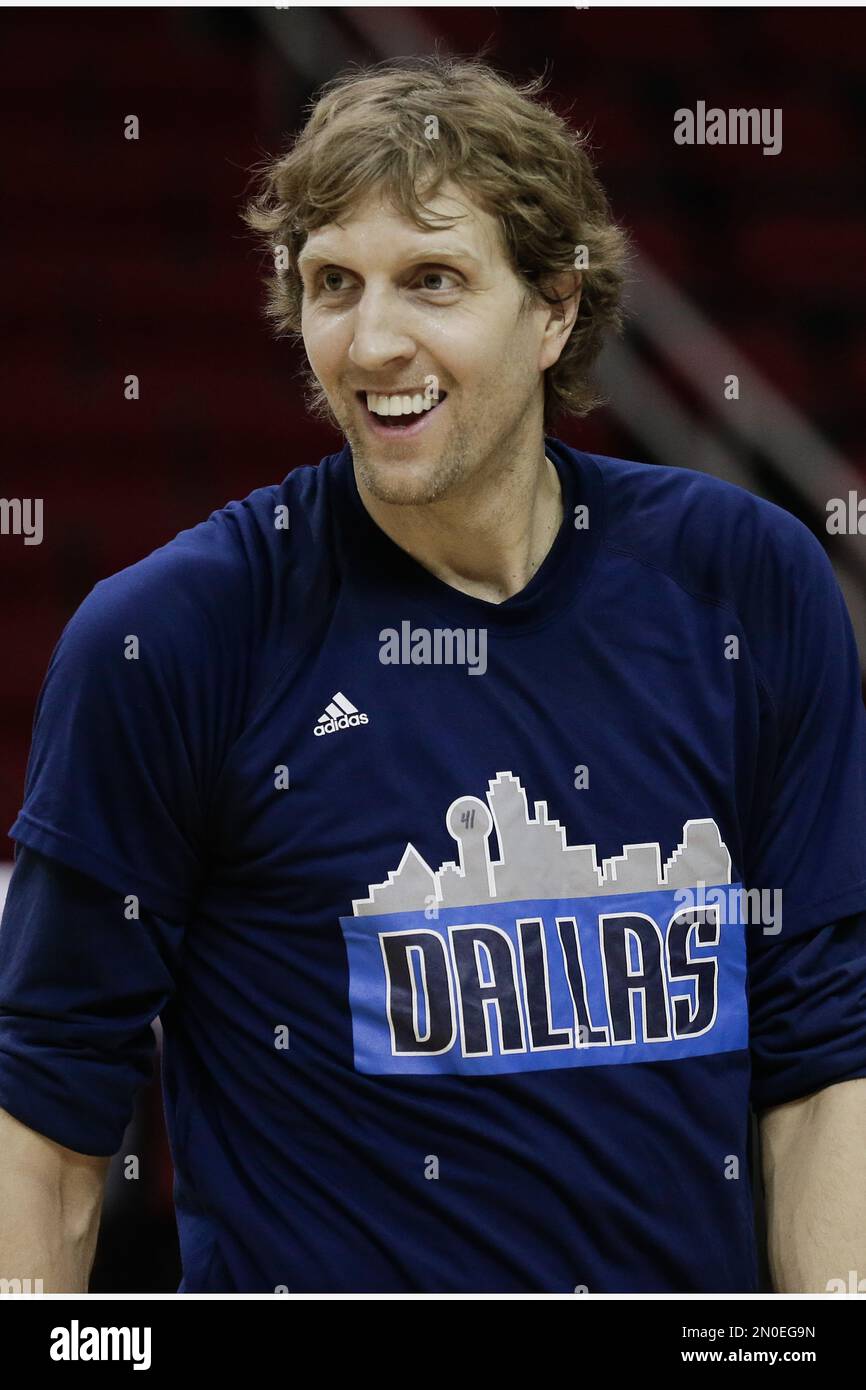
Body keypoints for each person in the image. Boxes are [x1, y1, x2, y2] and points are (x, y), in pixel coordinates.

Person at [1, 55, 865, 1295]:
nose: (369, 340)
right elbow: (47, 1121)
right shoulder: (174, 636)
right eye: (331, 284)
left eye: (433, 280)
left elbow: (818, 1062)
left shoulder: (745, 585)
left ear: (554, 307)